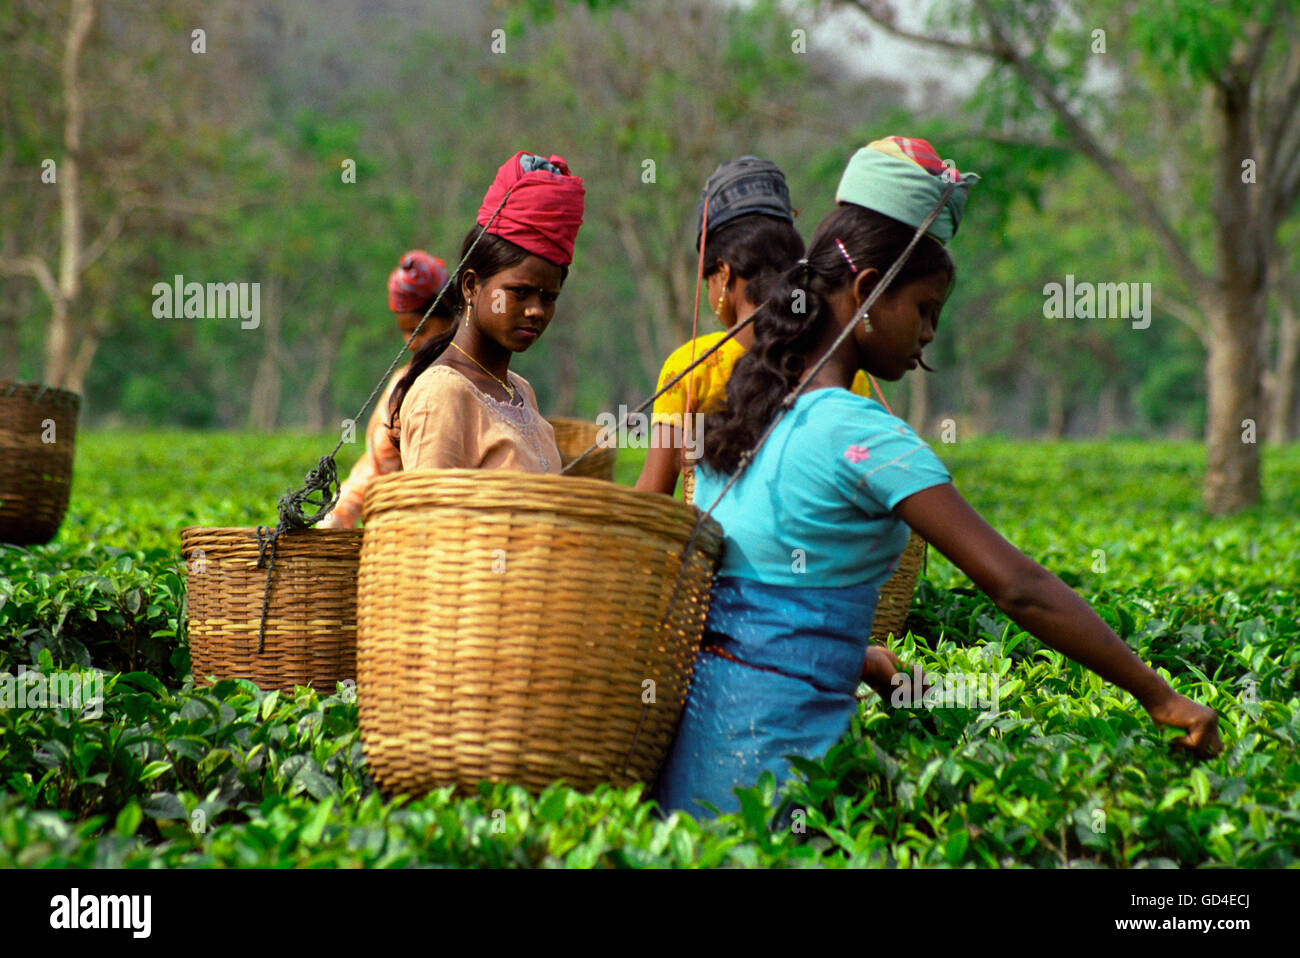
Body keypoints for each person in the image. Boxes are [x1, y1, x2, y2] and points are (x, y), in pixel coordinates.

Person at [652, 136, 1222, 820]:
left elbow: (758, 594)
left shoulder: (745, 409)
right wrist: (1160, 695)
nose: (928, 335)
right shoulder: (862, 434)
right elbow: (1021, 588)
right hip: (779, 779)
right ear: (866, 293)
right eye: (923, 310)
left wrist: (853, 657)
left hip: (694, 774)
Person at [634, 156, 873, 501]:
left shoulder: (692, 367)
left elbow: (651, 497)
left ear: (724, 273)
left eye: (709, 282)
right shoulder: (839, 367)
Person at [388, 151, 585, 472]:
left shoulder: (521, 391)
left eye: (549, 297)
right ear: (470, 286)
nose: (536, 310)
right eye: (519, 292)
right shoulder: (442, 393)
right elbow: (427, 519)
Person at [320, 250, 452, 529]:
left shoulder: (479, 381)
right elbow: (376, 467)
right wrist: (335, 516)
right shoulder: (402, 385)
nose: (412, 342)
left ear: (452, 317)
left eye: (421, 329)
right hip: (400, 533)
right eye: (406, 331)